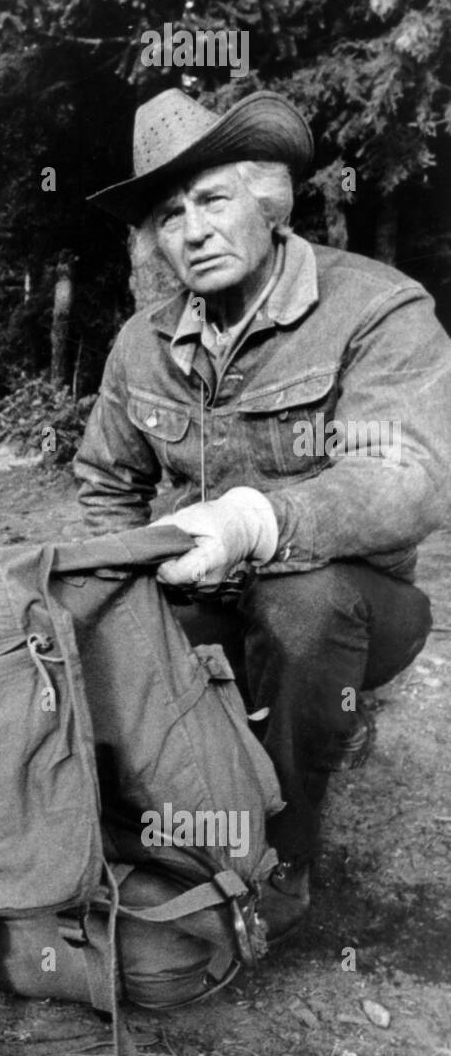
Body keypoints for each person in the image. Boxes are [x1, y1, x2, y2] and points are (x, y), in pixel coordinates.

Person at [76, 89, 451, 941]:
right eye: (169, 216)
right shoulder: (142, 341)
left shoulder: (377, 307)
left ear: (270, 201)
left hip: (358, 605)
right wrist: (121, 588)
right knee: (89, 622)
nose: (193, 231)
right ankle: (155, 829)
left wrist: (255, 519)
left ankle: (282, 858)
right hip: (206, 590)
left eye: (212, 199)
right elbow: (106, 478)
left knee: (304, 608)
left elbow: (412, 476)